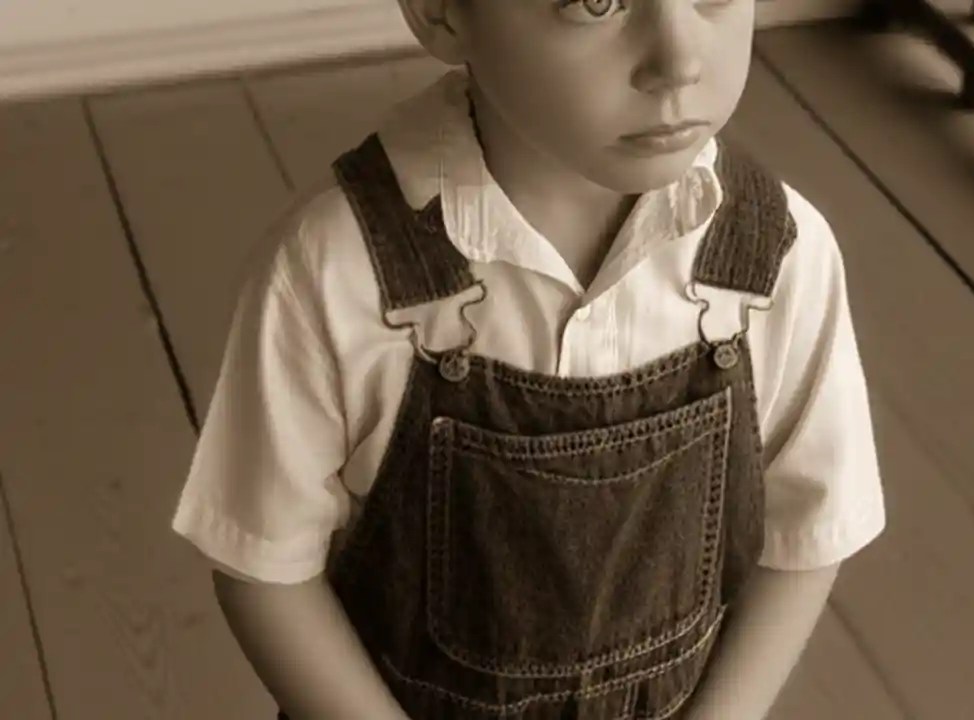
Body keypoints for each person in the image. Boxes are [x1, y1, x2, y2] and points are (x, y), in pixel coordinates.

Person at [169, 1, 887, 718]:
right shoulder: (339, 272)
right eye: (595, 3)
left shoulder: (774, 259)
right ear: (440, 12)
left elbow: (808, 530)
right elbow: (266, 567)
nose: (680, 60)